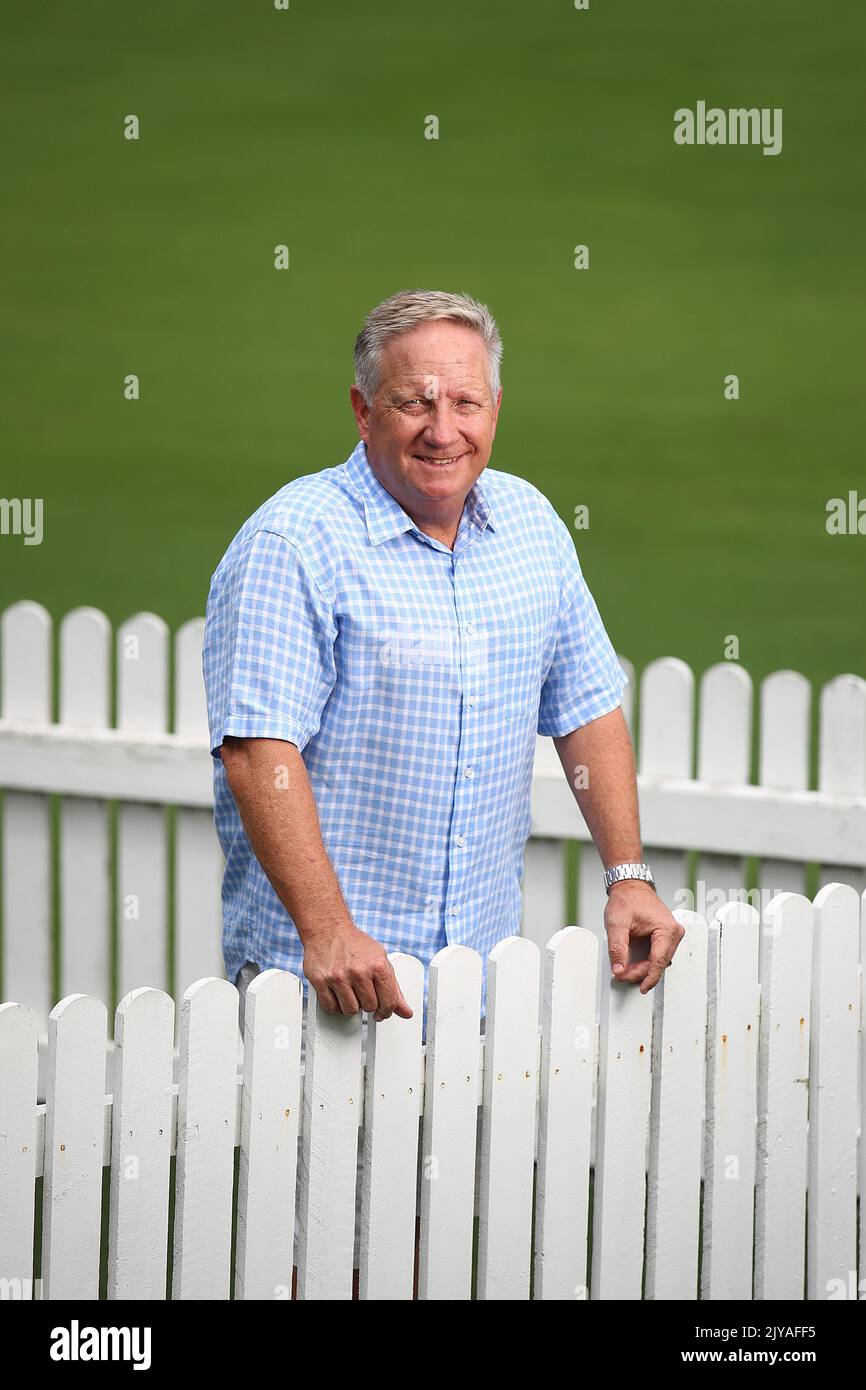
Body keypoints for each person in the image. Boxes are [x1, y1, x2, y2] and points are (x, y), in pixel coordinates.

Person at [203, 288, 684, 1283]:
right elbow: (259, 754)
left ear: (494, 410)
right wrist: (324, 927)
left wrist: (627, 873)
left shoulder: (531, 528)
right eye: (414, 401)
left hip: (470, 990)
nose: (443, 428)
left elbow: (585, 704)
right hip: (324, 984)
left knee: (439, 1256)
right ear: (360, 409)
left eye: (465, 402)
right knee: (309, 1261)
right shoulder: (294, 541)